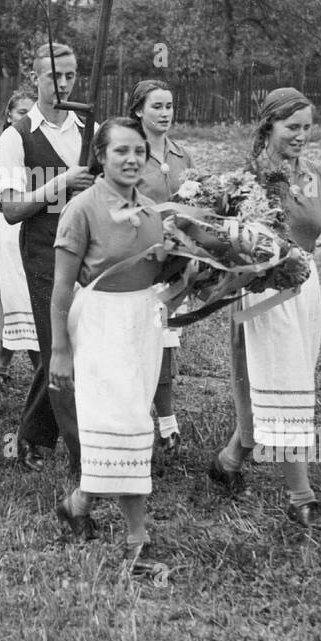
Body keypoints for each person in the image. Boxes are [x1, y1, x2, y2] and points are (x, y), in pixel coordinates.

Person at [206, 88, 321, 530]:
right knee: (285, 385)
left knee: (282, 384)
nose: (301, 136)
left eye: (307, 127)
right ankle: (300, 497)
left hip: (304, 285)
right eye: (293, 127)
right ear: (268, 126)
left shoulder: (315, 174)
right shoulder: (245, 178)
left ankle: (230, 460)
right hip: (262, 291)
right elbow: (219, 238)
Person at [51, 118, 170, 575]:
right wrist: (60, 350)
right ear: (100, 156)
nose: (131, 159)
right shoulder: (81, 208)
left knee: (133, 421)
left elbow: (160, 279)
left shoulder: (154, 210)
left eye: (138, 151)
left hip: (143, 323)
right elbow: (62, 289)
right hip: (100, 322)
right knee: (125, 425)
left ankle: (78, 503)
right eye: (120, 151)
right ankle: (137, 542)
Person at [0, 43, 95, 473]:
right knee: (58, 347)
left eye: (70, 75)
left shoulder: (89, 128)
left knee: (85, 345)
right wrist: (62, 183)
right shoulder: (16, 136)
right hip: (44, 251)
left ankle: (30, 436)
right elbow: (13, 209)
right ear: (34, 77)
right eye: (54, 76)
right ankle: (77, 456)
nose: (64, 84)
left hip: (93, 253)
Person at [129, 79, 193, 459]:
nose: (165, 113)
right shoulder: (131, 152)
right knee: (142, 341)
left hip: (174, 262)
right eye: (156, 106)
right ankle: (140, 417)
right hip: (140, 259)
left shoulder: (182, 154)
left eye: (169, 106)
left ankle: (166, 422)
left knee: (166, 341)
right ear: (139, 111)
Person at [0, 91, 37, 387]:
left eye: (32, 114)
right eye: (21, 113)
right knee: (11, 295)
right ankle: (4, 365)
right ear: (9, 116)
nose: (26, 119)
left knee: (31, 296)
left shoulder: (42, 147)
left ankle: (8, 365)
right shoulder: (0, 151)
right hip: (5, 226)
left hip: (36, 225)